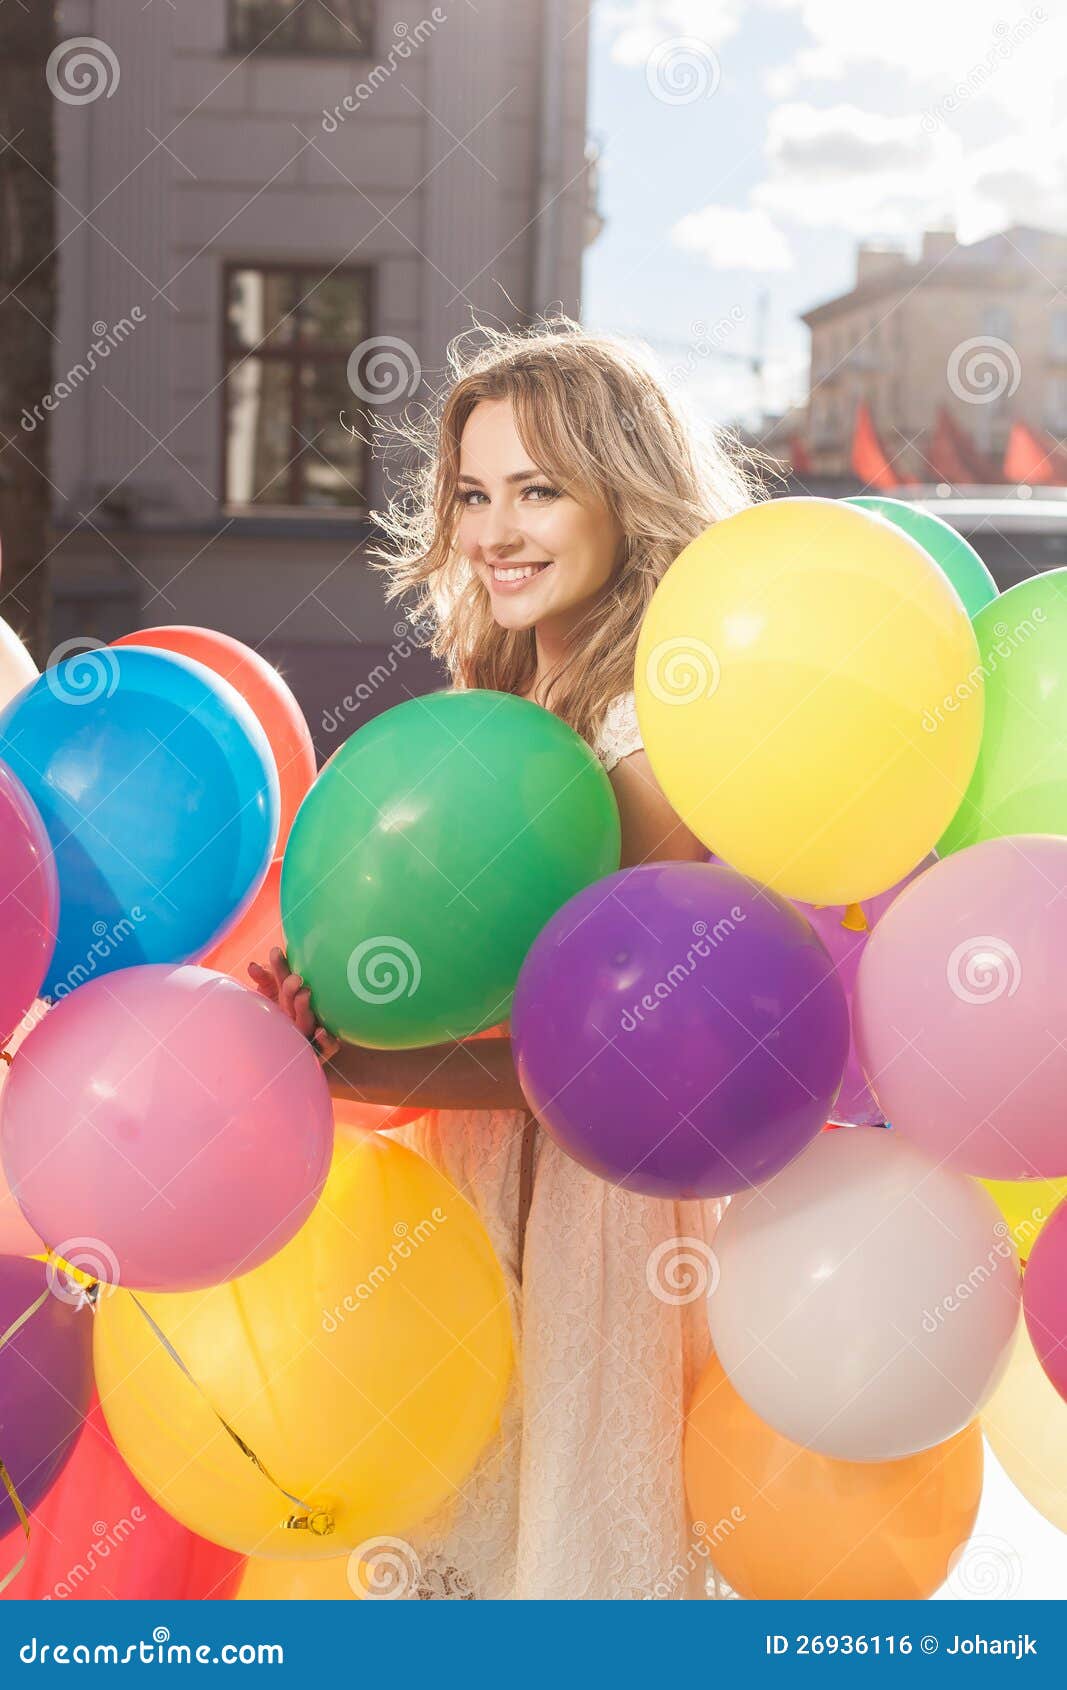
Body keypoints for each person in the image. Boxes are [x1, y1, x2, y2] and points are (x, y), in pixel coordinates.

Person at [250, 318, 760, 1600]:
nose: (495, 530)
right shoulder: (498, 704)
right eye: (472, 493)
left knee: (561, 1549)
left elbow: (593, 1068)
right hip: (468, 1189)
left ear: (621, 495)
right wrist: (333, 1026)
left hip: (593, 1208)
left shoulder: (656, 728)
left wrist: (351, 1058)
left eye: (539, 489)